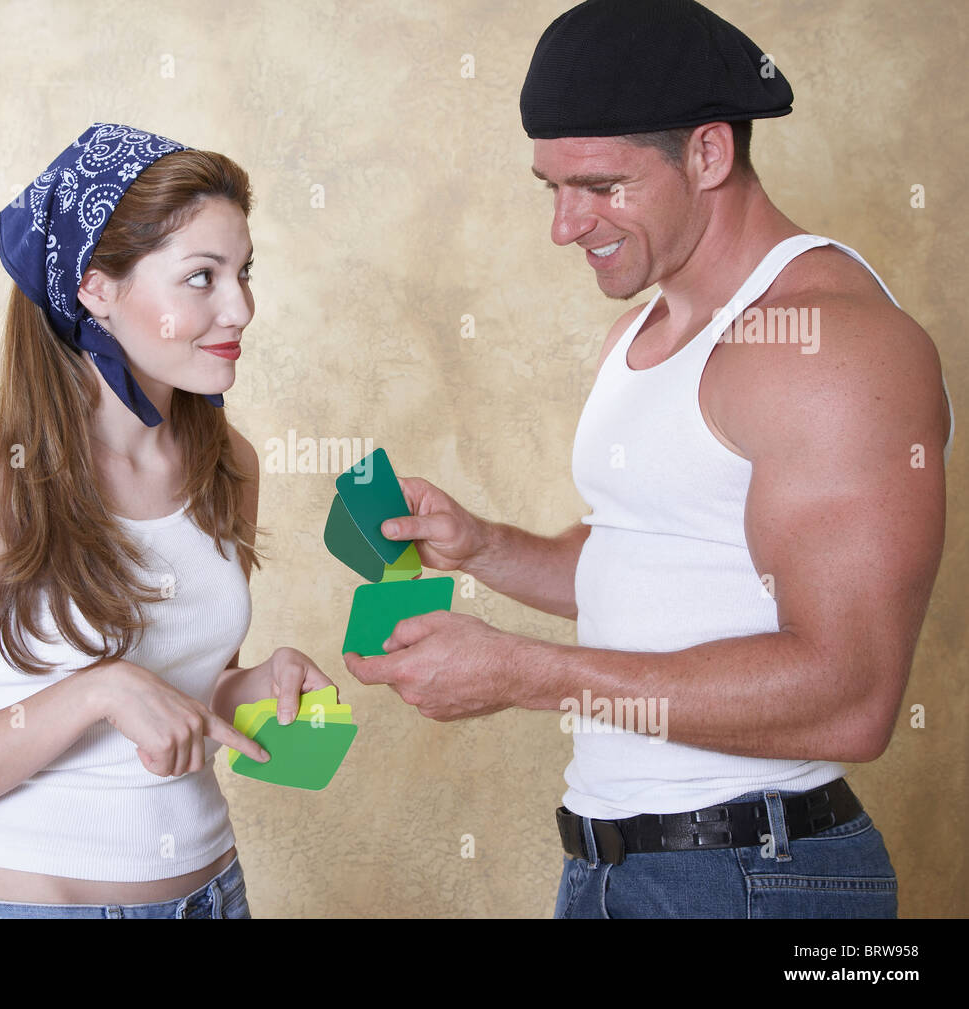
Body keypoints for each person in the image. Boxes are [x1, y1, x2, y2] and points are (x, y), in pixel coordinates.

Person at [343, 0, 954, 918]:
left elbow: (853, 696)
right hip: (610, 864)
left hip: (755, 870)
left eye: (599, 184)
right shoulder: (646, 329)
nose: (563, 225)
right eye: (550, 186)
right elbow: (646, 559)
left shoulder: (826, 347)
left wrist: (527, 673)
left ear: (709, 153)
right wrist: (482, 546)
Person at [0, 122, 333, 919]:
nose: (242, 308)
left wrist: (251, 687)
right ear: (96, 290)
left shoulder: (230, 463)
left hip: (212, 894)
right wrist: (95, 692)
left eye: (244, 271)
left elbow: (182, 703)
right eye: (202, 277)